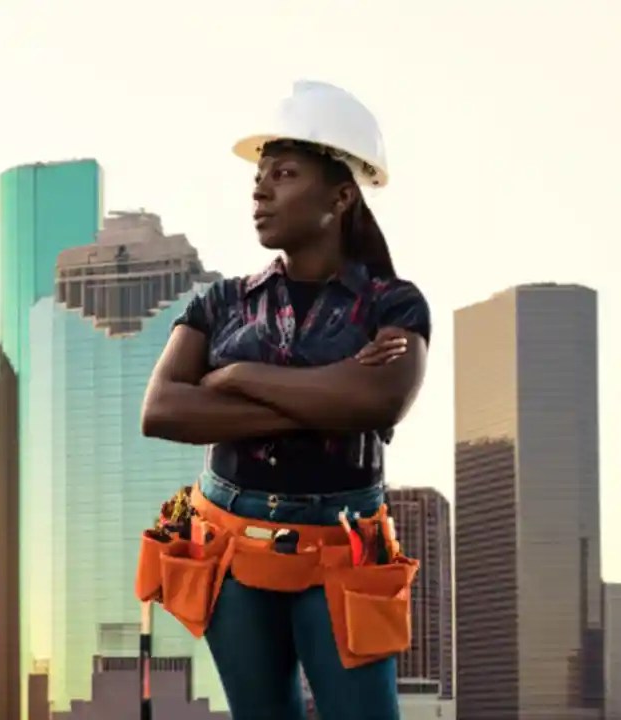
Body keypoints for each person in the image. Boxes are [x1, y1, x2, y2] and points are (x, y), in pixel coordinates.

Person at [139, 81, 430, 719]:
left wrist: (235, 375)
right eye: (260, 176)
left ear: (341, 196)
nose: (261, 190)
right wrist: (330, 394)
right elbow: (161, 410)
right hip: (230, 546)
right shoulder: (220, 302)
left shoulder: (394, 304)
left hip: (343, 549)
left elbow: (379, 403)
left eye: (285, 173)